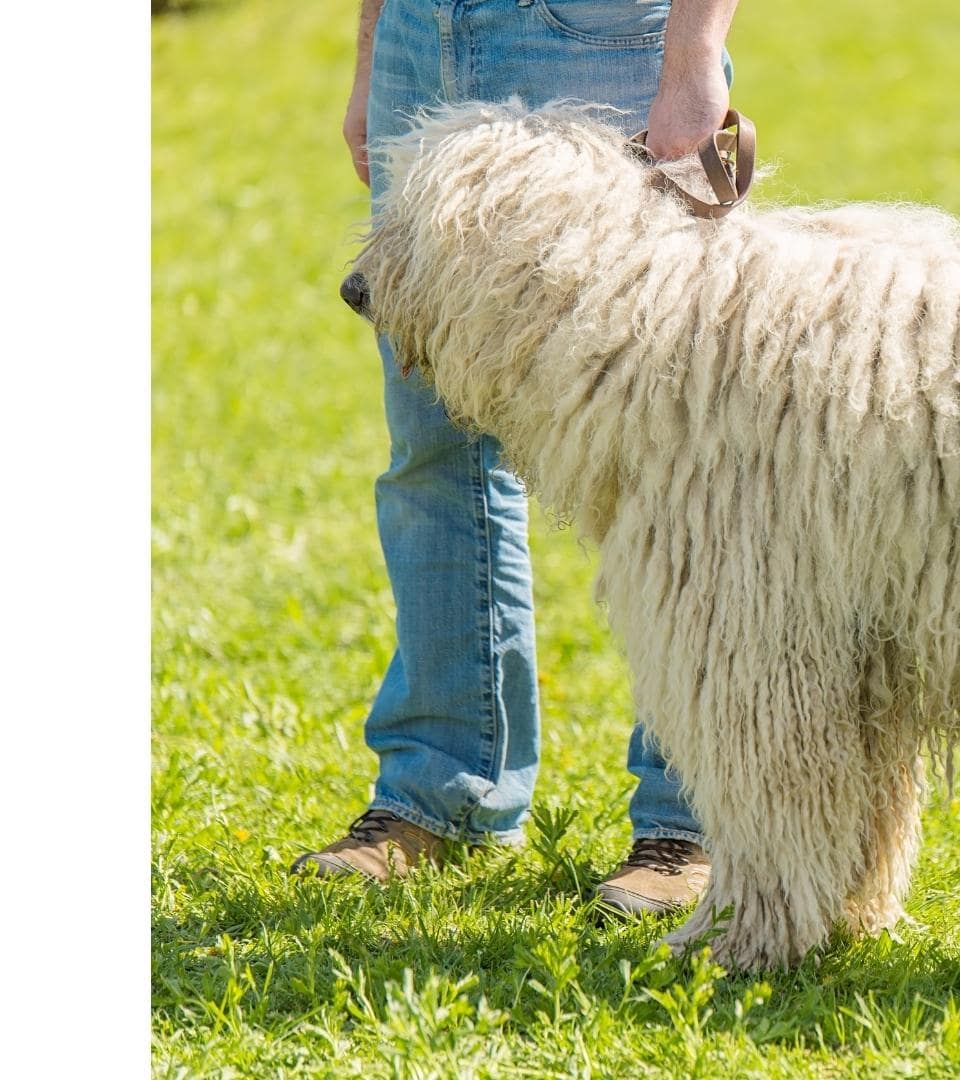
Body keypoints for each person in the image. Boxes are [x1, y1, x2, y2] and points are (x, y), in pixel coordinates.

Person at [290, 0, 738, 918]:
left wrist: (694, 53)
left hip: (604, 37)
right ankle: (439, 796)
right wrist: (377, 50)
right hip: (422, 37)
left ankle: (696, 818)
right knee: (433, 446)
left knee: (679, 454)